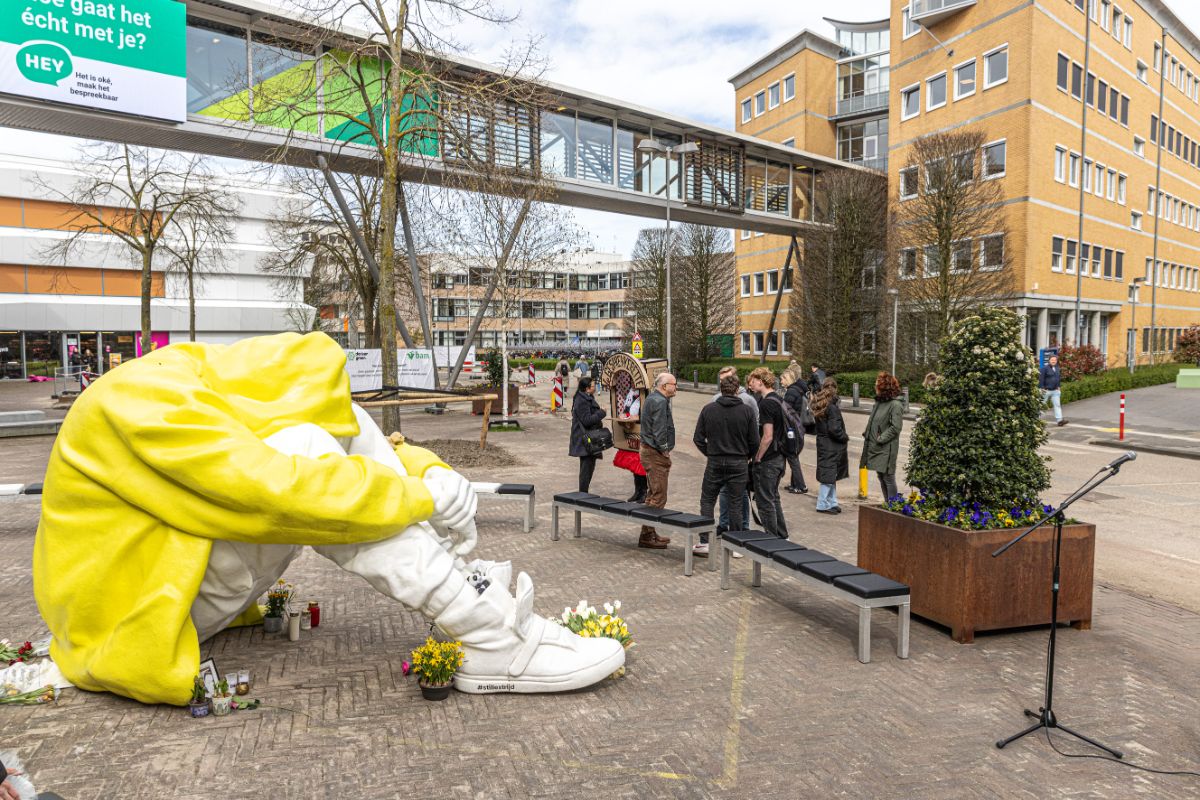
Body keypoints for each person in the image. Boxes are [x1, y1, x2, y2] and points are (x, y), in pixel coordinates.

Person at [34, 333, 623, 703]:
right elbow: (281, 490)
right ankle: (487, 630)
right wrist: (420, 499)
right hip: (135, 619)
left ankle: (464, 586)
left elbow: (353, 429)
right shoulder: (144, 403)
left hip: (177, 587)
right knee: (307, 455)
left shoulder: (216, 382)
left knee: (315, 440)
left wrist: (431, 472)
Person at [693, 372, 759, 558]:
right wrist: (746, 456)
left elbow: (698, 438)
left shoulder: (708, 409)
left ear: (721, 389)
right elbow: (755, 441)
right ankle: (736, 545)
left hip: (715, 461)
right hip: (738, 462)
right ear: (738, 390)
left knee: (707, 500)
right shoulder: (746, 411)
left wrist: (711, 452)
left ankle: (705, 542)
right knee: (736, 502)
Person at [712, 366, 758, 532]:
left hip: (741, 456)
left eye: (726, 379)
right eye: (721, 379)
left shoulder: (748, 401)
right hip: (721, 456)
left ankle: (743, 527)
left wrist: (751, 454)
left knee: (742, 493)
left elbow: (755, 429)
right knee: (723, 492)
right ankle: (723, 524)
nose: (723, 383)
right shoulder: (715, 399)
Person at [747, 367, 789, 539]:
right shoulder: (778, 399)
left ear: (761, 381)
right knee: (773, 497)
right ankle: (782, 535)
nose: (750, 384)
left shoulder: (766, 403)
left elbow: (767, 436)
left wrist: (757, 457)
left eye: (753, 381)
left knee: (765, 501)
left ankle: (771, 539)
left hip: (769, 459)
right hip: (780, 457)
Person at [637, 372, 677, 549]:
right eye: (673, 384)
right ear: (664, 386)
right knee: (658, 496)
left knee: (653, 494)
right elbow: (659, 430)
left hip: (648, 450)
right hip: (654, 453)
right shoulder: (660, 401)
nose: (676, 387)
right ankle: (646, 536)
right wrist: (665, 450)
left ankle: (649, 532)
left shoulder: (654, 398)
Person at [860, 372, 904, 501]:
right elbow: (875, 421)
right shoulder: (879, 403)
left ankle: (893, 506)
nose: (875, 385)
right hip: (877, 446)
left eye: (877, 383)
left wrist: (881, 438)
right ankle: (888, 503)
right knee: (881, 476)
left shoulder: (895, 405)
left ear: (884, 387)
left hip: (886, 448)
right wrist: (868, 433)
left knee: (888, 477)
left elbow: (896, 427)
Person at [811, 377, 850, 514]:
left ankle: (832, 502)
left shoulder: (821, 404)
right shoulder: (832, 407)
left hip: (823, 443)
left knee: (830, 474)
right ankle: (822, 504)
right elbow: (834, 429)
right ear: (835, 389)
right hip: (832, 445)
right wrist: (845, 437)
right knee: (829, 476)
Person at [569, 376, 606, 492]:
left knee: (589, 466)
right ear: (587, 388)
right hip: (585, 439)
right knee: (586, 468)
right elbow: (586, 420)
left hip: (589, 437)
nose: (595, 388)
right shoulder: (582, 400)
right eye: (593, 386)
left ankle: (584, 492)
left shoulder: (586, 397)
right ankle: (583, 494)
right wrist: (601, 413)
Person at [781, 372, 809, 494]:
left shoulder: (791, 392)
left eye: (782, 379)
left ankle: (801, 486)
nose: (781, 381)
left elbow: (785, 410)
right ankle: (794, 484)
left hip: (792, 428)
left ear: (788, 379)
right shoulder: (798, 390)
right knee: (793, 455)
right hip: (798, 426)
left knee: (792, 456)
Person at [1039, 354, 1067, 426]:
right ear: (1049, 361)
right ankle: (1036, 420)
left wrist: (1058, 386)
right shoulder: (1044, 368)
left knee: (1057, 405)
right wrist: (1042, 388)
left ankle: (1059, 420)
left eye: (1055, 360)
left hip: (1055, 391)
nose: (1053, 361)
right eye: (1052, 360)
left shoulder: (1057, 368)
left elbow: (1058, 378)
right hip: (1046, 391)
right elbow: (1041, 379)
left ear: (1056, 361)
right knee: (1042, 405)